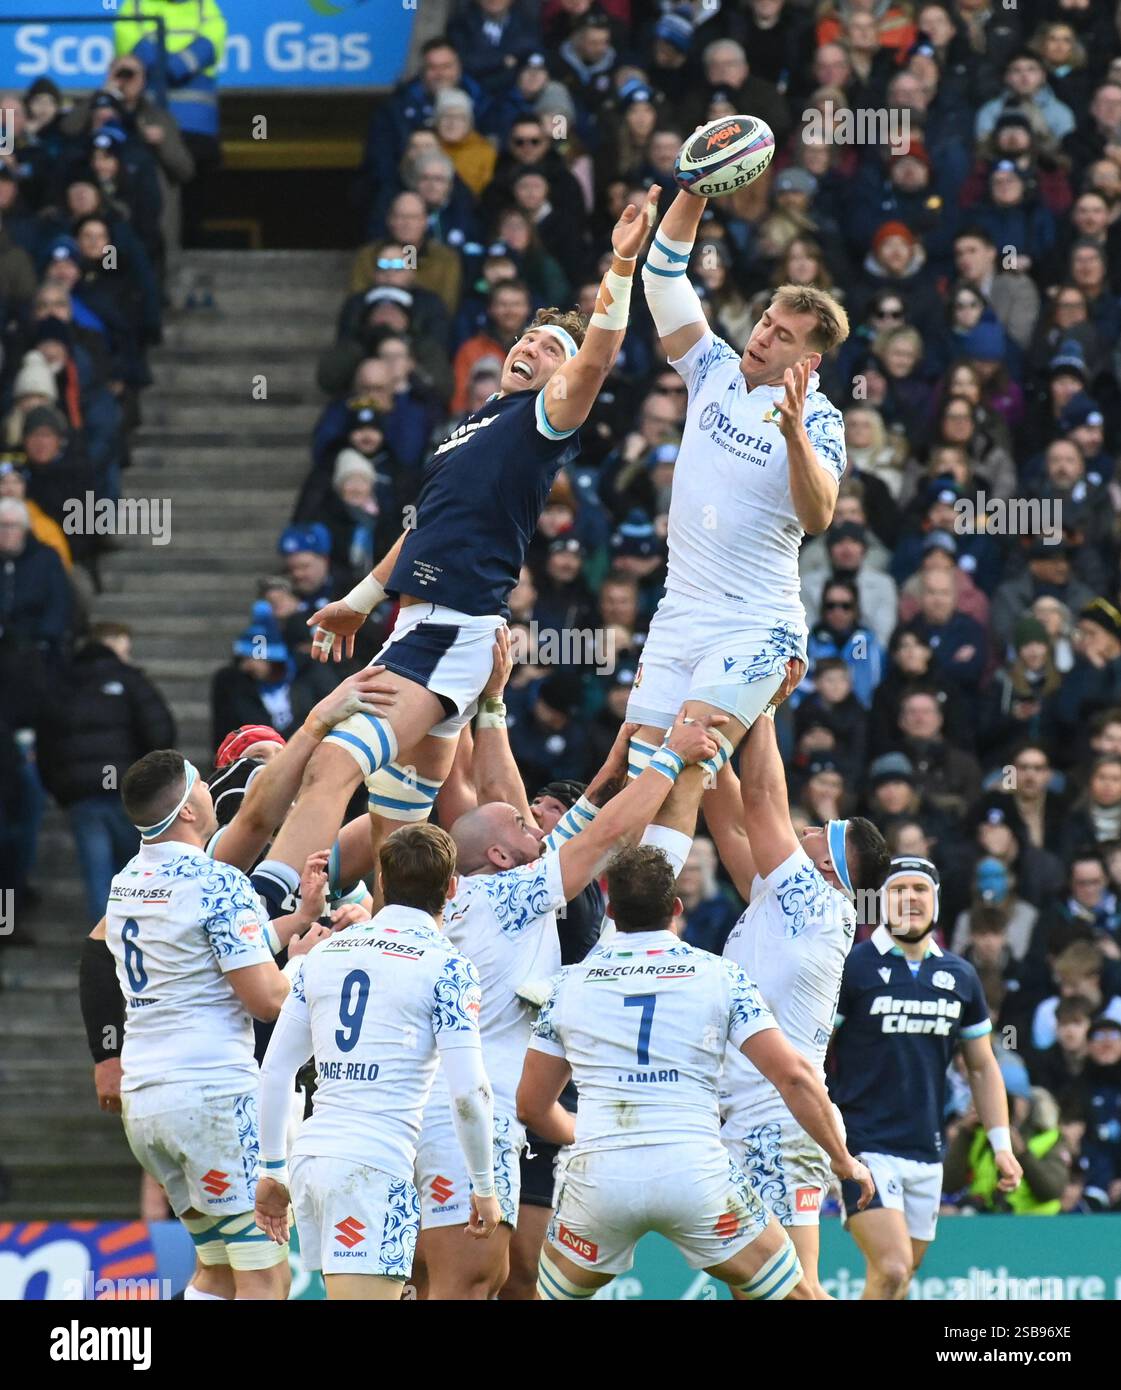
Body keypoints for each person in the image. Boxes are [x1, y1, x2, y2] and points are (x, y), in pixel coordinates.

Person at [259, 187, 661, 924]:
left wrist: (623, 262)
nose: (529, 349)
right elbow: (426, 528)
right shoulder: (475, 423)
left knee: (333, 762)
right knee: (399, 829)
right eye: (529, 340)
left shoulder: (545, 420)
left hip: (455, 628)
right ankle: (394, 934)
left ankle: (263, 901)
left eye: (549, 350)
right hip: (420, 623)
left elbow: (597, 359)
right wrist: (361, 599)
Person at [412, 709, 723, 1300]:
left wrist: (611, 768)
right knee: (470, 1283)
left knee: (443, 1282)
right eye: (524, 827)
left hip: (434, 1113)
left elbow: (576, 833)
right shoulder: (507, 895)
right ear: (501, 858)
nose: (538, 828)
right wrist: (671, 757)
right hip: (471, 1118)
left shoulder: (472, 898)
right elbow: (602, 840)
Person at [516, 843, 874, 1301]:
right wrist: (843, 1161)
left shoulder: (567, 985)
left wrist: (593, 1133)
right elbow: (794, 1078)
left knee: (545, 1295)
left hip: (601, 1181)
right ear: (677, 908)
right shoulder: (719, 976)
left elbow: (531, 1104)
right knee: (799, 1292)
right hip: (696, 1177)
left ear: (610, 908)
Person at [624, 183, 849, 882]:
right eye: (763, 321)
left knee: (683, 761)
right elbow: (660, 278)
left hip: (754, 626)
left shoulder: (819, 422)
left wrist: (791, 437)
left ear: (807, 360)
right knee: (643, 773)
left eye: (782, 335)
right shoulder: (714, 368)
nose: (761, 335)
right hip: (678, 614)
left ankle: (645, 931)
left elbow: (819, 516)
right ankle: (649, 917)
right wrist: (692, 189)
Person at [103, 748, 321, 1301]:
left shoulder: (126, 882)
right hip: (213, 1098)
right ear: (189, 811)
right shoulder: (216, 881)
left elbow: (202, 960)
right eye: (201, 781)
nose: (211, 789)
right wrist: (313, 960)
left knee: (218, 1271)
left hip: (149, 1101)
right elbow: (269, 1000)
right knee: (264, 1275)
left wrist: (295, 923)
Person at [253, 823, 500, 1300]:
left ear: (382, 881)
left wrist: (272, 1168)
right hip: (373, 1166)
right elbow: (470, 1092)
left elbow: (276, 1070)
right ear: (451, 887)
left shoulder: (325, 954)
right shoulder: (447, 967)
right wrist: (484, 1185)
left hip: (314, 1159)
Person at [709, 704, 890, 1298]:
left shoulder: (817, 903)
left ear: (826, 865)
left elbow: (760, 800)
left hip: (780, 1121)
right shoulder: (780, 903)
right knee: (762, 1290)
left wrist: (758, 704)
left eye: (816, 832)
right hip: (753, 1115)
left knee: (795, 1289)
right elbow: (729, 818)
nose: (803, 829)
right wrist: (704, 740)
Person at [830, 856, 1022, 1299]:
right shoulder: (852, 967)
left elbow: (981, 1066)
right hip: (864, 1147)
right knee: (893, 1268)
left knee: (900, 1277)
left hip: (926, 1150)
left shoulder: (960, 976)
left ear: (936, 902)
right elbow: (815, 1053)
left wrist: (1002, 1146)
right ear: (880, 902)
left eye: (920, 889)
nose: (910, 898)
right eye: (899, 890)